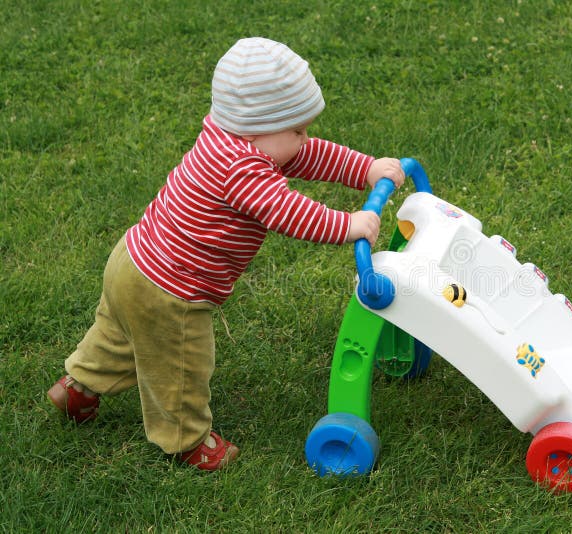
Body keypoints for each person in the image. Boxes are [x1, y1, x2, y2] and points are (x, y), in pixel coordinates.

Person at [46, 37, 405, 471]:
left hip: (134, 261)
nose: (305, 138)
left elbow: (308, 155)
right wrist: (349, 225)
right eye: (297, 129)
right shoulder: (241, 168)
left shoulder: (232, 138)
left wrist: (363, 168)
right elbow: (287, 212)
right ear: (259, 125)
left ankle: (79, 387)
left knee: (120, 336)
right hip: (172, 290)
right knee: (179, 366)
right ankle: (186, 440)